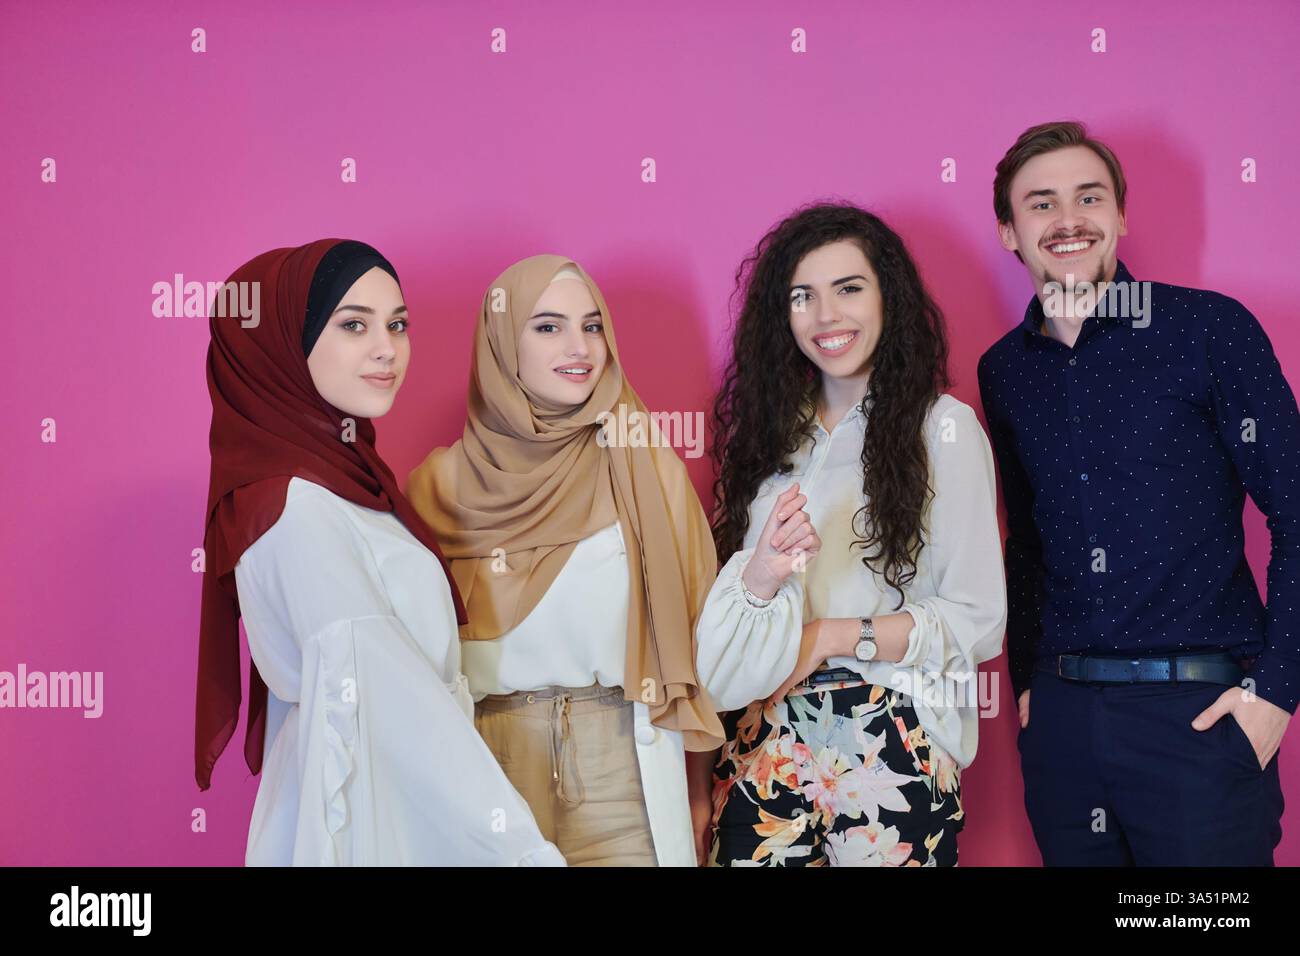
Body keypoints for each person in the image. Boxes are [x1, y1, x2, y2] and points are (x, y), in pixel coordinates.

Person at [978, 120, 1294, 865]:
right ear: (1008, 233)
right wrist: (1030, 687)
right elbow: (1026, 542)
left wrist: (1276, 693)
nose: (1067, 221)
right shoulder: (1004, 372)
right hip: (1063, 727)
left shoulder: (1208, 330)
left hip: (1199, 721)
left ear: (1121, 216)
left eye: (1089, 198)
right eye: (1041, 204)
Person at [195, 238, 564, 866]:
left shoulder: (351, 488)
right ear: (284, 344)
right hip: (371, 814)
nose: (386, 348)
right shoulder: (294, 507)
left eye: (397, 324)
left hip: (396, 806)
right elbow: (391, 699)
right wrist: (523, 852)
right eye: (353, 325)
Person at [696, 202, 1007, 866]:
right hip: (762, 735)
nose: (825, 314)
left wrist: (835, 637)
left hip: (891, 730)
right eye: (803, 295)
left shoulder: (942, 430)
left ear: (886, 298)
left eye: (849, 288)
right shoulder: (763, 447)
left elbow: (979, 619)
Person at [406, 255, 725, 866]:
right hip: (484, 766)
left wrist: (695, 789)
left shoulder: (642, 462)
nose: (579, 347)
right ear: (502, 343)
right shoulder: (437, 487)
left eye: (593, 325)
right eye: (548, 326)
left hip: (620, 767)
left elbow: (696, 637)